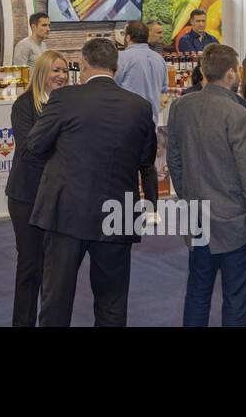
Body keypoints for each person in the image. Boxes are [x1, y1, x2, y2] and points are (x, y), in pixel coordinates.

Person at [28, 38, 158, 327]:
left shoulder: (64, 98)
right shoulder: (139, 106)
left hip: (67, 212)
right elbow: (146, 158)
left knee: (56, 302)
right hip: (118, 213)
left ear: (83, 64)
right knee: (112, 303)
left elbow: (35, 145)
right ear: (116, 66)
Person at [167, 43, 246, 327]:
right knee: (237, 302)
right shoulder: (240, 115)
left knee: (197, 295)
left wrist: (188, 199)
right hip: (237, 224)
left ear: (202, 71)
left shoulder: (180, 107)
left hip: (197, 219)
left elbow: (174, 162)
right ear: (230, 73)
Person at [4, 50, 69, 326]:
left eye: (64, 70)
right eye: (55, 70)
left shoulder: (69, 104)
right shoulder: (23, 105)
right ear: (42, 72)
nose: (61, 76)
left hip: (59, 196)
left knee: (55, 268)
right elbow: (29, 149)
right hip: (27, 196)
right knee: (30, 265)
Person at [116, 20, 168, 124]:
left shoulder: (121, 58)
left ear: (128, 37)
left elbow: (112, 87)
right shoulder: (159, 59)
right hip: (152, 122)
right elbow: (163, 91)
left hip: (128, 122)